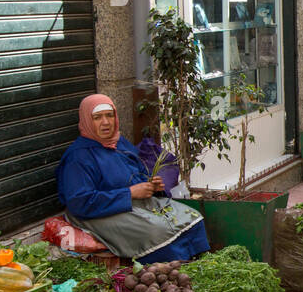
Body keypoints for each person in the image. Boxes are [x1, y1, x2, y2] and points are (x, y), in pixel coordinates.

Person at [56, 95, 210, 263]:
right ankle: (167, 270)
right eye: (97, 118)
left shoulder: (119, 143)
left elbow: (136, 174)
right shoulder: (79, 157)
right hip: (96, 212)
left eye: (109, 115)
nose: (106, 122)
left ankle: (195, 262)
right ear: (86, 120)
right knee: (156, 231)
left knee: (191, 216)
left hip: (130, 202)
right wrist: (128, 193)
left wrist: (151, 186)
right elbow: (80, 202)